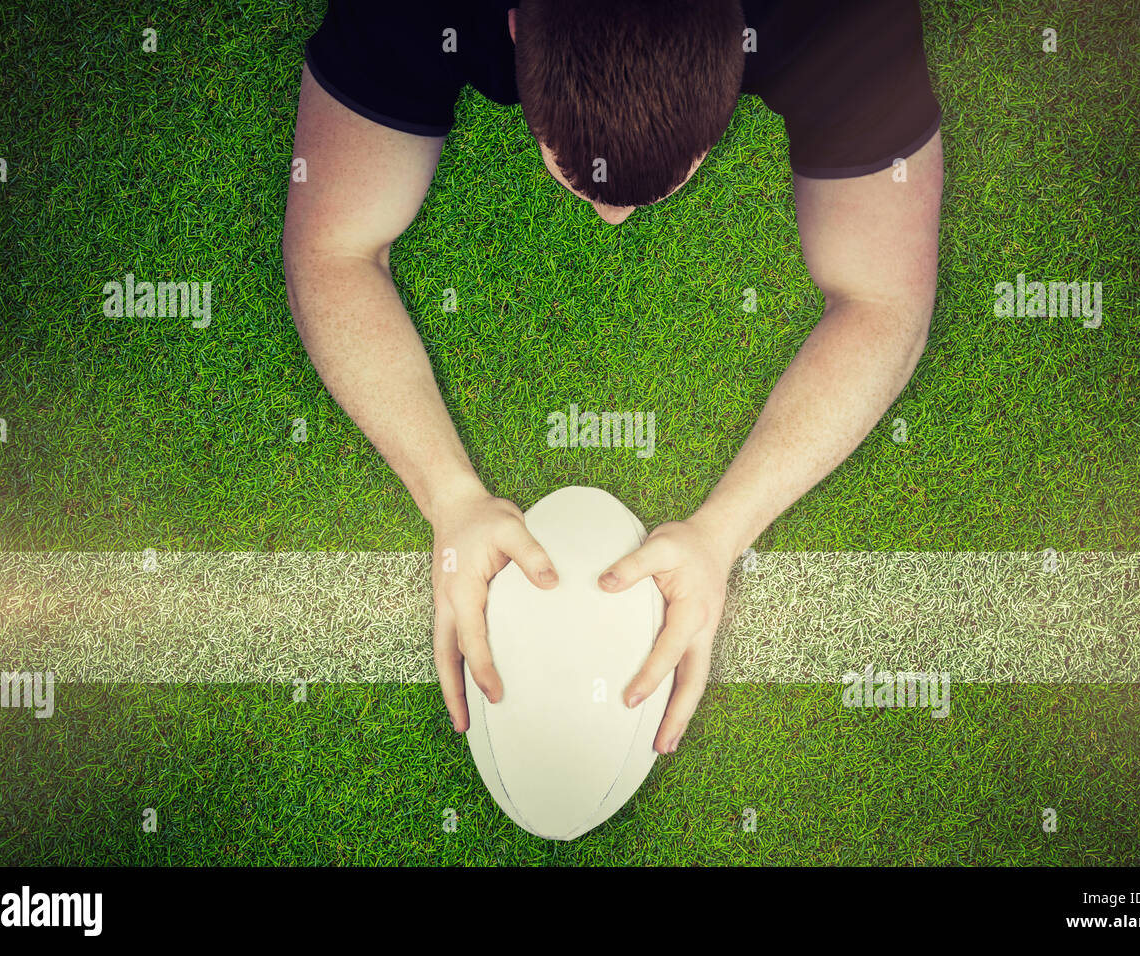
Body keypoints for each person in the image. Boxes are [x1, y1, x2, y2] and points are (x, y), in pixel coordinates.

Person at [282, 0, 944, 754]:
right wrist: (447, 494)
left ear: (745, 44)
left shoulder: (839, 18)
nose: (613, 219)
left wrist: (722, 534)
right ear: (510, 27)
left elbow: (887, 303)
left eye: (658, 187)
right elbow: (330, 252)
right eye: (582, 179)